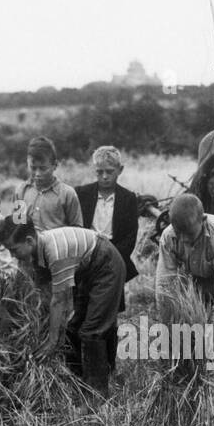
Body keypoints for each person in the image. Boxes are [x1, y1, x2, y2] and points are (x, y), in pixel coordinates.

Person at [0, 221, 125, 400]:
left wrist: (52, 341)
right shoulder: (37, 251)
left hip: (105, 264)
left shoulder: (56, 253)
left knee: (92, 331)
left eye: (14, 250)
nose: (13, 256)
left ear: (29, 241)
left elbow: (59, 300)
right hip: (85, 268)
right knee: (74, 327)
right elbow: (42, 290)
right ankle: (79, 380)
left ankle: (96, 395)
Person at [154, 194, 214, 387]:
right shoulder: (168, 236)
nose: (184, 241)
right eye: (180, 234)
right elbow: (165, 282)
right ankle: (201, 387)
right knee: (194, 342)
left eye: (189, 235)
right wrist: (168, 319)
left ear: (203, 220)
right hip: (194, 283)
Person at [75, 146, 142, 375]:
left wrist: (112, 260)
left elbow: (130, 237)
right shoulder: (81, 194)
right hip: (83, 260)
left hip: (113, 263)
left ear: (119, 170)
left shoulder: (128, 199)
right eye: (99, 172)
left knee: (109, 317)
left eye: (109, 172)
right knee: (81, 311)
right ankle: (81, 368)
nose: (104, 177)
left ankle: (109, 367)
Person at [12, 136, 82, 231]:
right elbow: (17, 226)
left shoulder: (67, 194)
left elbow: (77, 231)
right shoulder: (21, 191)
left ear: (55, 165)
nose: (37, 174)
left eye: (43, 169)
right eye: (33, 168)